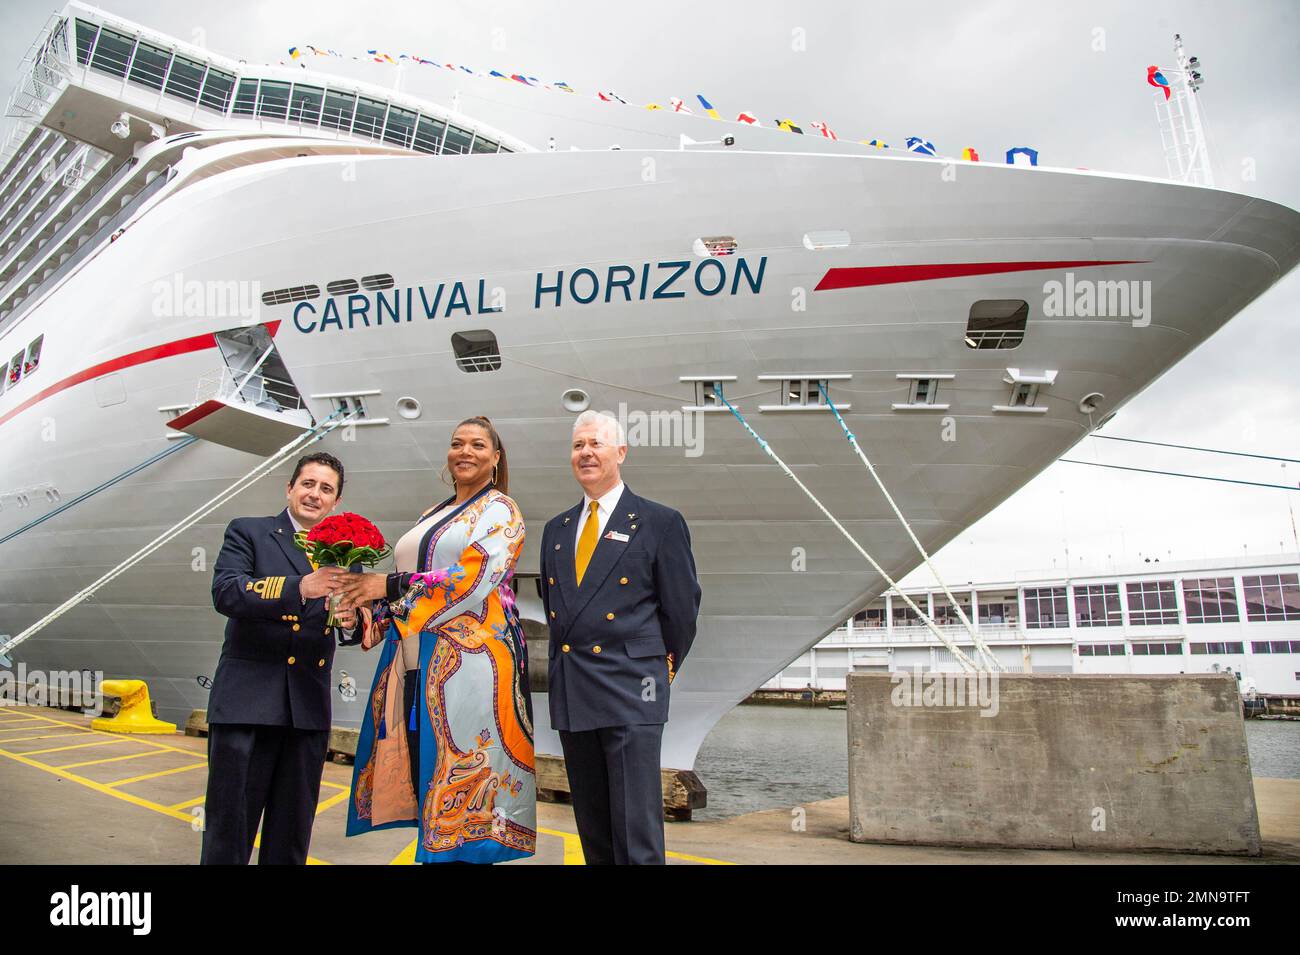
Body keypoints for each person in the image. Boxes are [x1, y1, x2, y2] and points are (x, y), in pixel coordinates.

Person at [336, 416, 535, 863]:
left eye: (478, 445)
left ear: (496, 458)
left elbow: (472, 577)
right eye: (457, 443)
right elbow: (406, 592)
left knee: (463, 802)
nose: (465, 452)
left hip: (470, 670)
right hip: (413, 668)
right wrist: (363, 611)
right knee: (429, 787)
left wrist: (387, 586)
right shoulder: (435, 511)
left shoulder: (500, 510)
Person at [538, 410, 701, 864]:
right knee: (595, 829)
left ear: (620, 453)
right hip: (575, 690)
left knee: (635, 832)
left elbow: (681, 609)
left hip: (632, 688)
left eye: (596, 444)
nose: (586, 453)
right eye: (578, 446)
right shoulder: (557, 530)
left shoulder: (659, 522)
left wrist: (657, 666)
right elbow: (559, 612)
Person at [202, 451, 361, 865]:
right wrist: (300, 587)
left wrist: (350, 622)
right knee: (229, 832)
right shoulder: (250, 532)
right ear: (289, 488)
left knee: (291, 838)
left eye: (326, 489)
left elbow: (356, 627)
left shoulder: (345, 554)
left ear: (335, 501)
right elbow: (228, 592)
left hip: (305, 711)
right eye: (308, 484)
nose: (315, 495)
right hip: (247, 705)